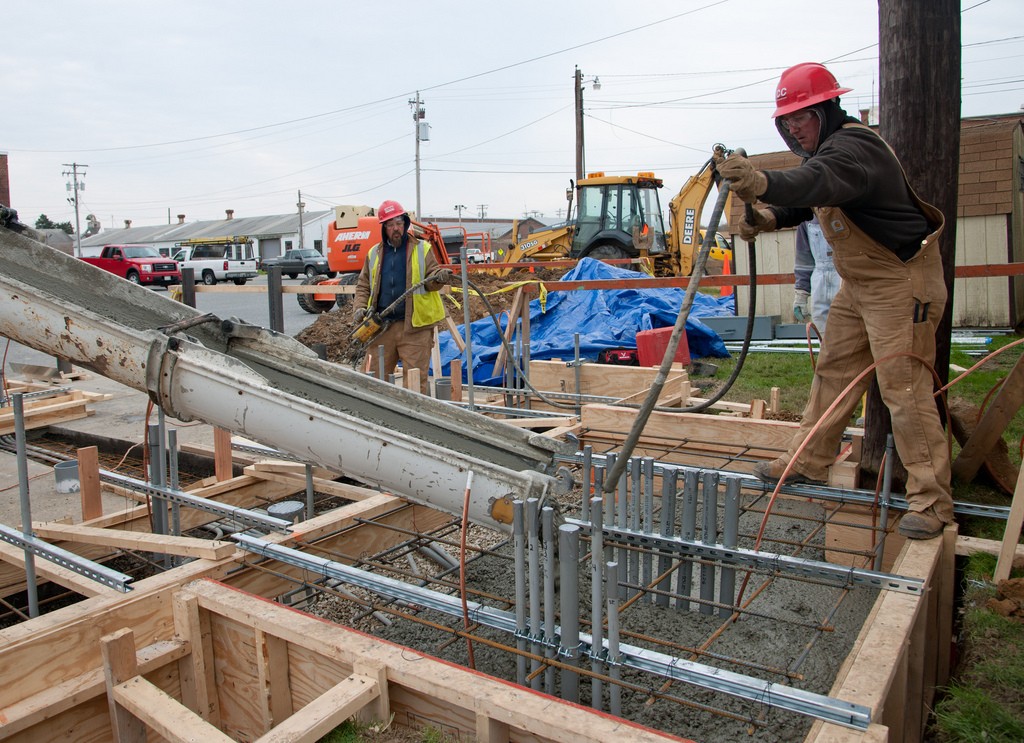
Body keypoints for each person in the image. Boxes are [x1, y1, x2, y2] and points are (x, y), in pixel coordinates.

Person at [718, 62, 953, 540]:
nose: (793, 128)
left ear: (826, 109)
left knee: (903, 389)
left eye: (801, 117)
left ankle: (932, 502)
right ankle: (810, 460)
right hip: (860, 284)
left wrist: (760, 181)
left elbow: (817, 181)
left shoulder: (853, 148)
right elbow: (808, 198)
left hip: (899, 282)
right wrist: (765, 216)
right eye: (786, 122)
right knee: (834, 372)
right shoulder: (829, 153)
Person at [353, 199, 452, 395]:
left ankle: (415, 421)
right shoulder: (374, 253)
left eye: (399, 223)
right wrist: (359, 307)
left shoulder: (422, 249)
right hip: (380, 328)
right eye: (390, 225)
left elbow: (431, 279)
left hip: (414, 328)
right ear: (384, 228)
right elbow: (363, 285)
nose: (395, 228)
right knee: (374, 380)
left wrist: (439, 278)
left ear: (405, 223)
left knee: (415, 384)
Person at [793, 214, 841, 334]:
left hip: (843, 275)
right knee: (822, 329)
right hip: (819, 278)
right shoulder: (806, 217)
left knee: (848, 327)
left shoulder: (845, 211)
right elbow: (804, 259)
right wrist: (801, 295)